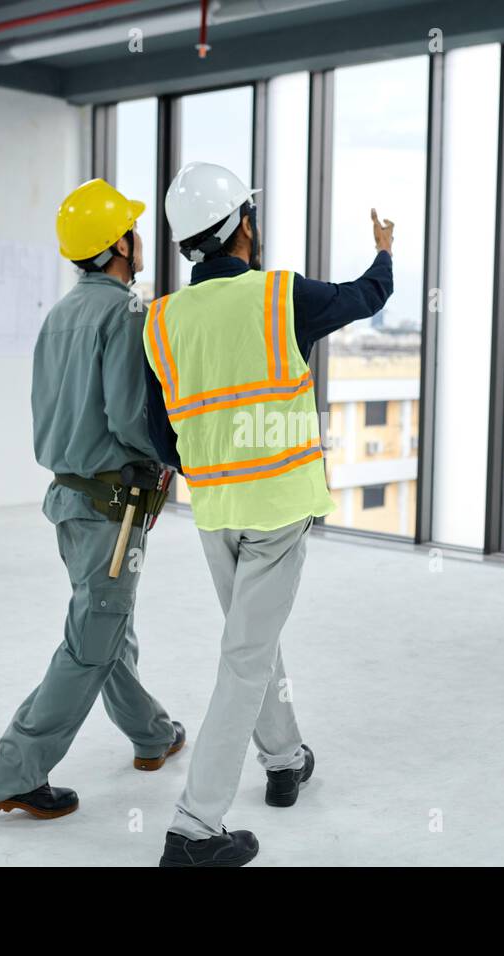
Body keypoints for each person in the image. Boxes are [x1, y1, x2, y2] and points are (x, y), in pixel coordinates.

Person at [143, 161, 394, 867]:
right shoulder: (279, 297)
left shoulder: (162, 320)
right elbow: (366, 296)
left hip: (216, 511)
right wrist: (385, 249)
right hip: (278, 507)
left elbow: (161, 432)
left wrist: (214, 462)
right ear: (243, 227)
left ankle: (284, 759)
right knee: (245, 656)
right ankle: (195, 825)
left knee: (253, 641)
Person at [0, 178, 184, 820]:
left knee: (105, 623)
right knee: (92, 638)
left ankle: (151, 734)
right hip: (111, 508)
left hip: (69, 501)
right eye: (134, 228)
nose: (141, 237)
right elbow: (126, 415)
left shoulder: (60, 313)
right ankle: (13, 770)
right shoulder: (125, 312)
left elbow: (51, 411)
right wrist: (168, 455)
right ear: (119, 243)